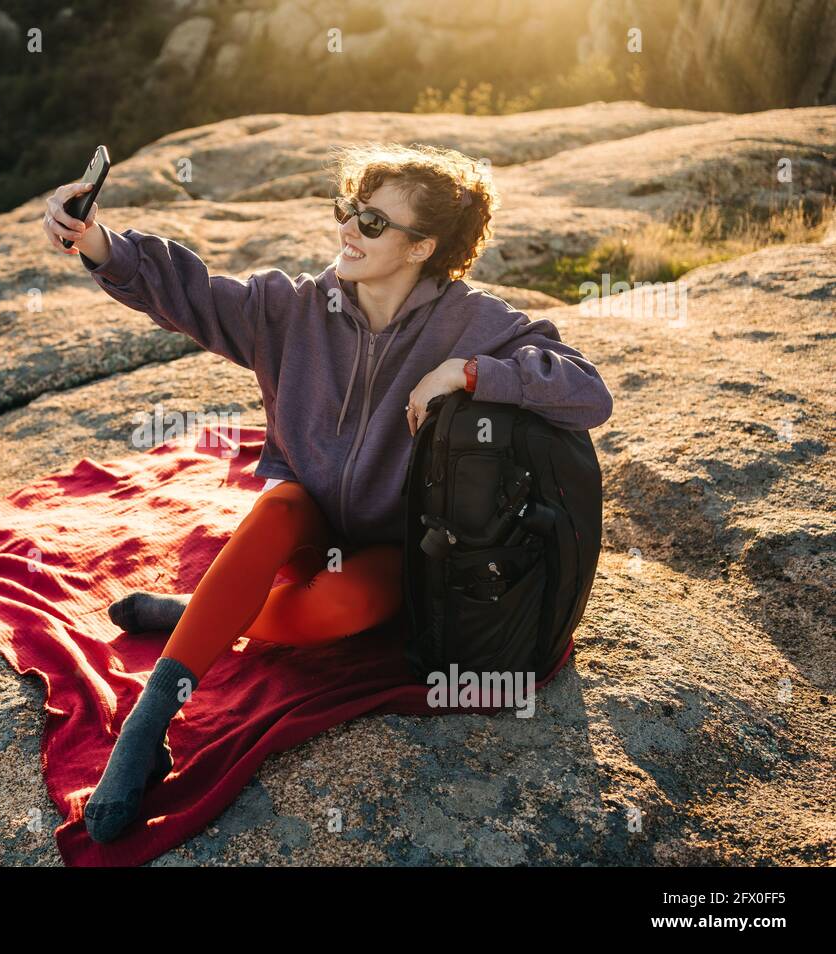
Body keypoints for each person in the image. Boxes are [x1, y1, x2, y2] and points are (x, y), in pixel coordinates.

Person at [40, 141, 614, 843]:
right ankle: (148, 724)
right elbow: (191, 293)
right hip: (306, 507)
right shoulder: (294, 307)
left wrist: (466, 373)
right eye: (349, 210)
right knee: (275, 512)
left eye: (374, 223)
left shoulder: (471, 322)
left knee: (340, 607)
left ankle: (203, 610)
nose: (349, 228)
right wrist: (97, 242)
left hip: (395, 539)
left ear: (422, 246)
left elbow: (586, 390)